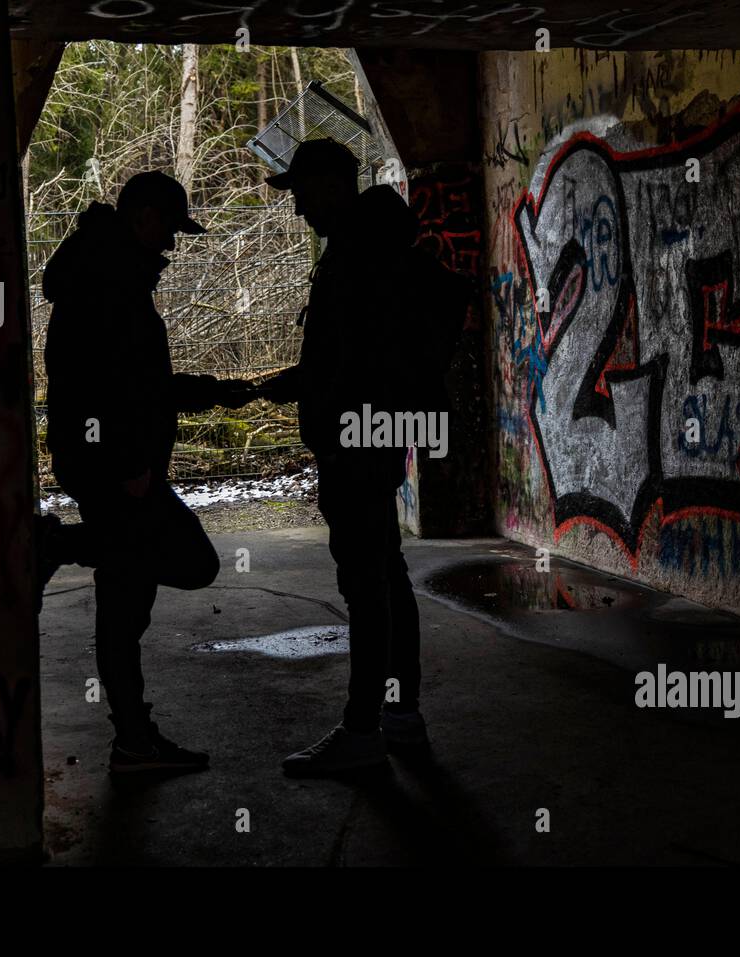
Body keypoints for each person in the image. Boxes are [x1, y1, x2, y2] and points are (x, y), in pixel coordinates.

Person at [36, 170, 251, 774]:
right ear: (145, 216)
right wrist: (129, 461)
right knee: (188, 564)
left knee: (124, 601)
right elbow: (100, 384)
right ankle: (56, 541)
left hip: (109, 463)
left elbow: (137, 380)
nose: (172, 246)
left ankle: (133, 741)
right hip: (116, 468)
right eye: (169, 230)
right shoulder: (106, 279)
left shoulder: (105, 272)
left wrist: (210, 393)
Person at [259, 139, 450, 777]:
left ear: (333, 185)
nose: (299, 208)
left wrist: (334, 428)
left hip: (356, 447)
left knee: (367, 587)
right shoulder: (373, 252)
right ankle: (401, 717)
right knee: (387, 577)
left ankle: (363, 730)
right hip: (376, 437)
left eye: (304, 193)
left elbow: (353, 365)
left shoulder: (357, 259)